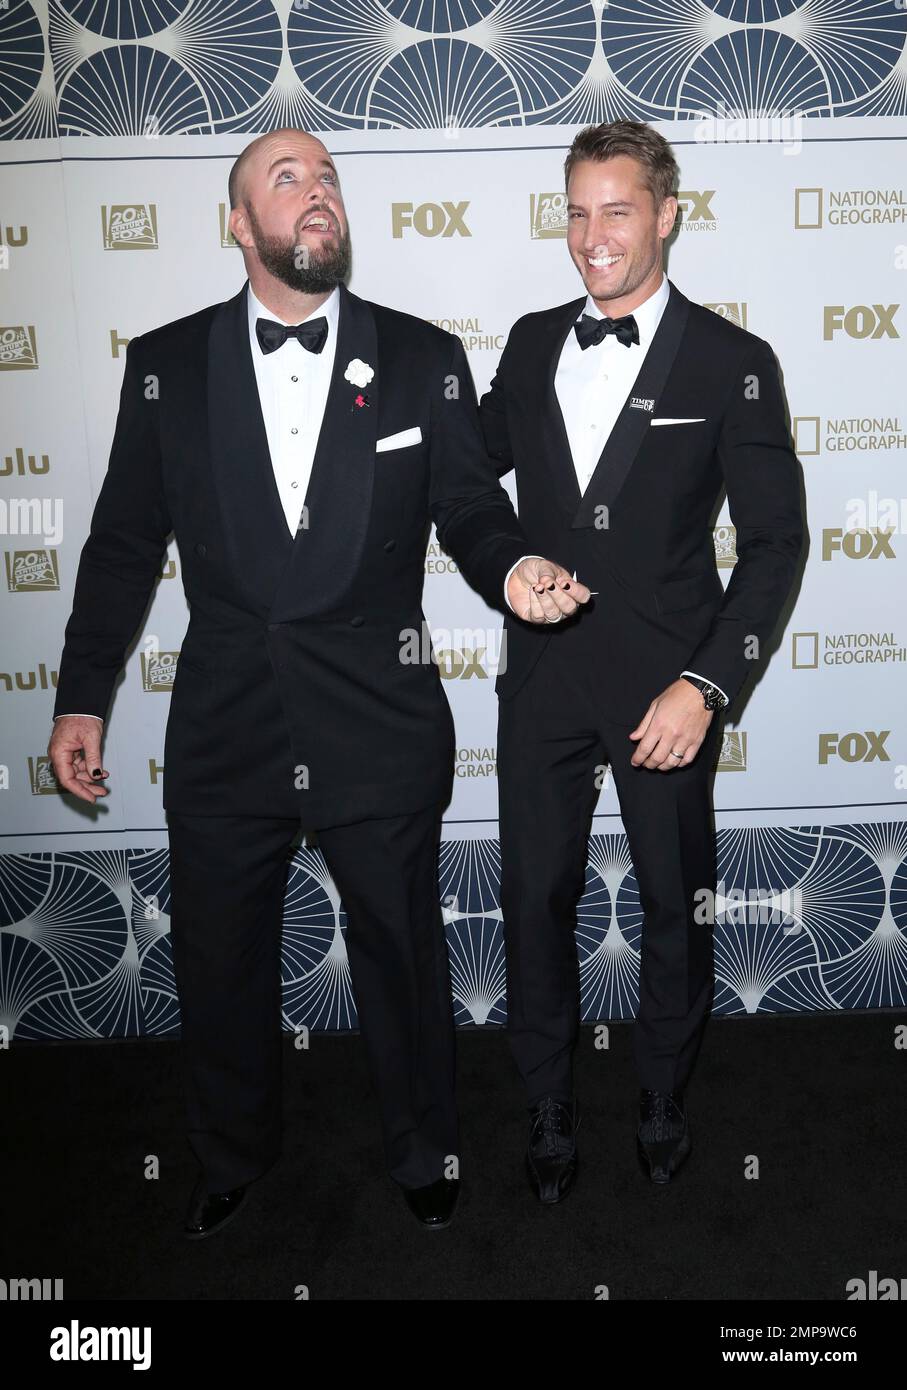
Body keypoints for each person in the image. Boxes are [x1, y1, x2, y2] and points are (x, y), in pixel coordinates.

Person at [48, 128, 588, 1238]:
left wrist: (514, 567)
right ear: (238, 226)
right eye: (284, 180)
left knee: (400, 952)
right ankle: (231, 1150)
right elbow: (119, 544)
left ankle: (423, 1146)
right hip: (226, 723)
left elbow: (472, 510)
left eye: (327, 177)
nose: (315, 193)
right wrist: (82, 696)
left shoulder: (421, 356)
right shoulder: (164, 363)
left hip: (376, 720)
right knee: (220, 954)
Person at [480, 120, 804, 1200]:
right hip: (540, 680)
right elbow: (465, 487)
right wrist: (505, 558)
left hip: (667, 687)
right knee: (534, 898)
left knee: (673, 899)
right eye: (576, 211)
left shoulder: (730, 362)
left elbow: (775, 545)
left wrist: (706, 686)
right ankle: (546, 1098)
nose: (592, 235)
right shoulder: (528, 345)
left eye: (616, 210)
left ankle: (662, 1088)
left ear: (668, 212)